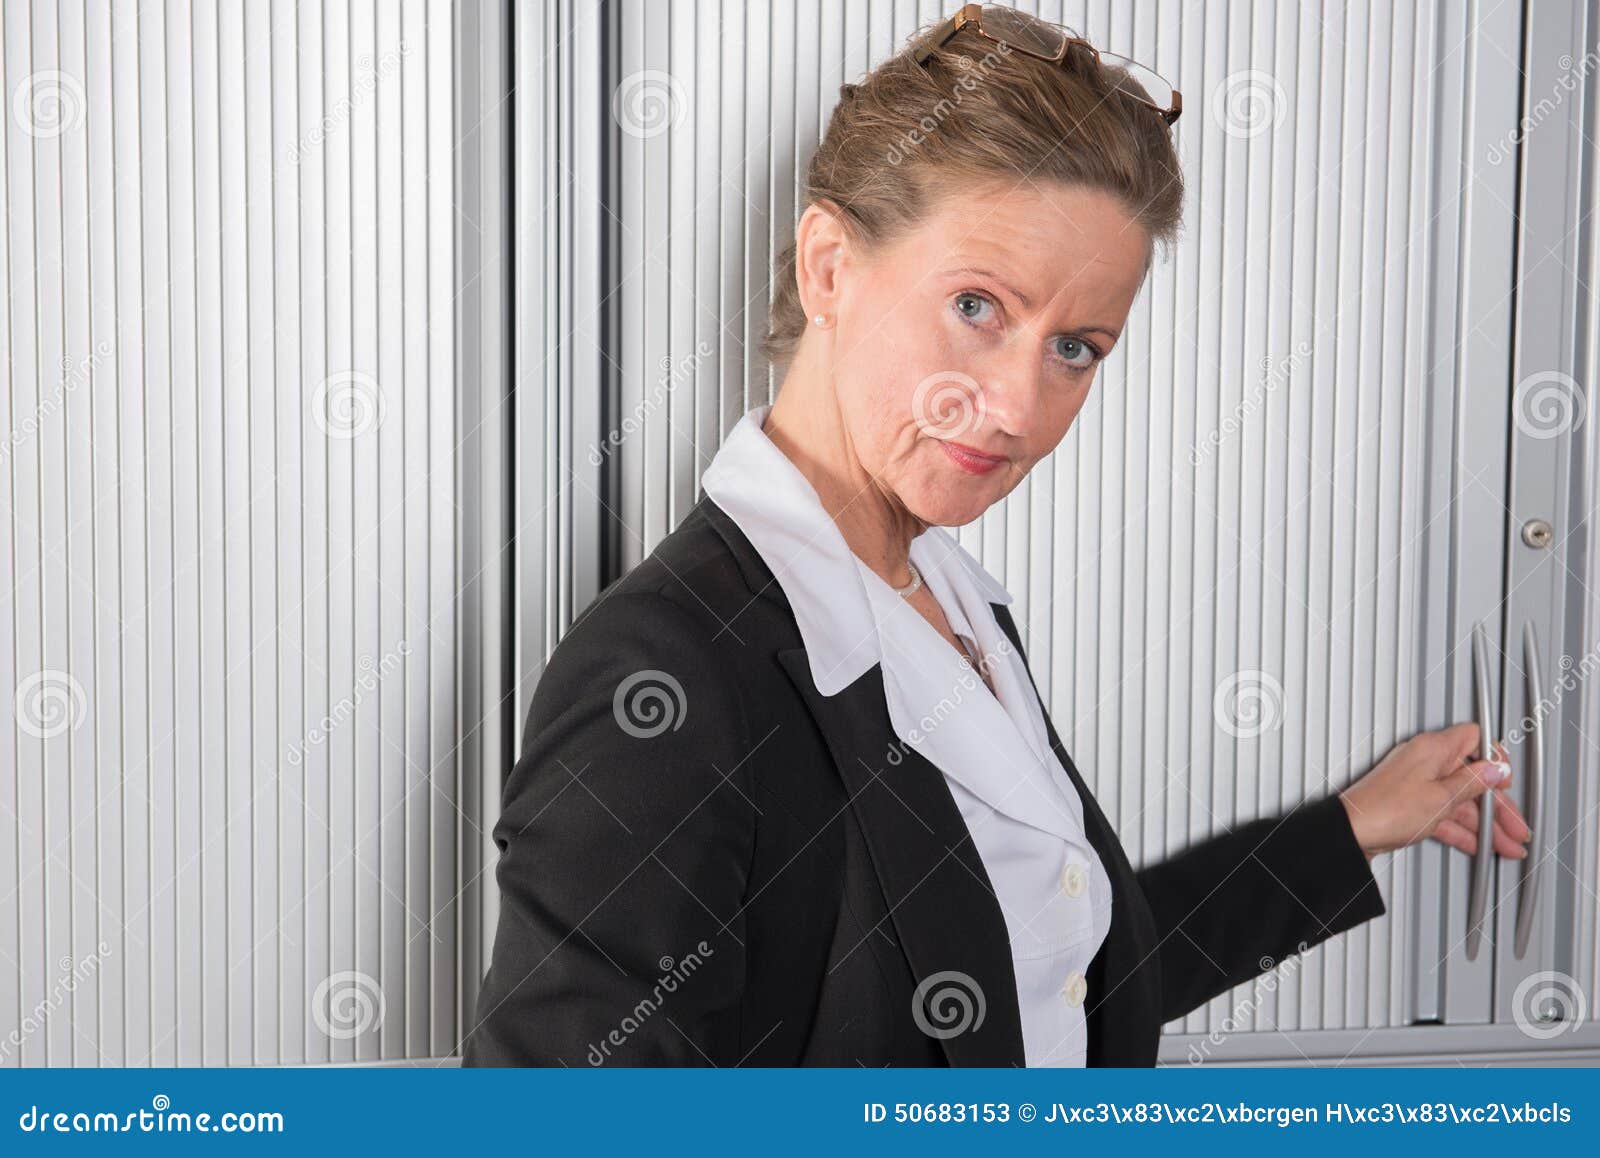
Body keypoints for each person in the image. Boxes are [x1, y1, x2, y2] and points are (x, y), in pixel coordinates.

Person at [464, 4, 1528, 1068]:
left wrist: (1343, 832)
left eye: (1075, 346)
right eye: (976, 305)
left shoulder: (948, 595)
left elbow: (1043, 974)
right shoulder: (670, 672)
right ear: (828, 265)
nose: (1018, 405)